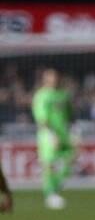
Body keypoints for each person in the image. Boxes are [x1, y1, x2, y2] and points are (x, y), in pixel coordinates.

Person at [32, 68, 76, 209]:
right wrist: (51, 134)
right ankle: (50, 194)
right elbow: (41, 118)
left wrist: (75, 130)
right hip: (47, 135)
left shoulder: (64, 94)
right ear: (45, 80)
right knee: (49, 164)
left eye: (55, 77)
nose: (53, 80)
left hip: (64, 133)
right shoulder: (41, 96)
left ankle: (56, 186)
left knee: (71, 159)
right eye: (50, 77)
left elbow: (70, 114)